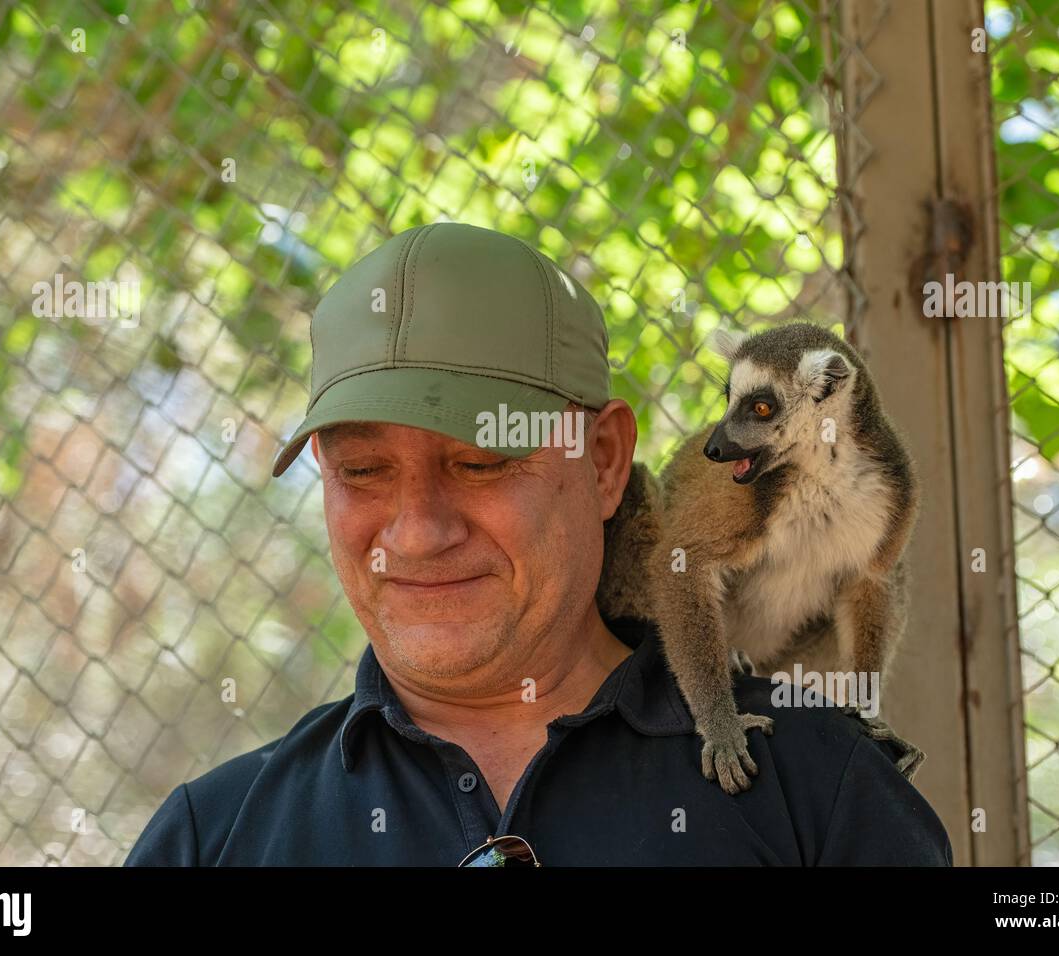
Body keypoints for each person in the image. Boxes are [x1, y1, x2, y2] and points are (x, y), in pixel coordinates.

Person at [124, 221, 952, 866]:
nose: (417, 532)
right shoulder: (218, 834)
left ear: (603, 463)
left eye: (480, 463)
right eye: (365, 470)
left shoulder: (822, 792)